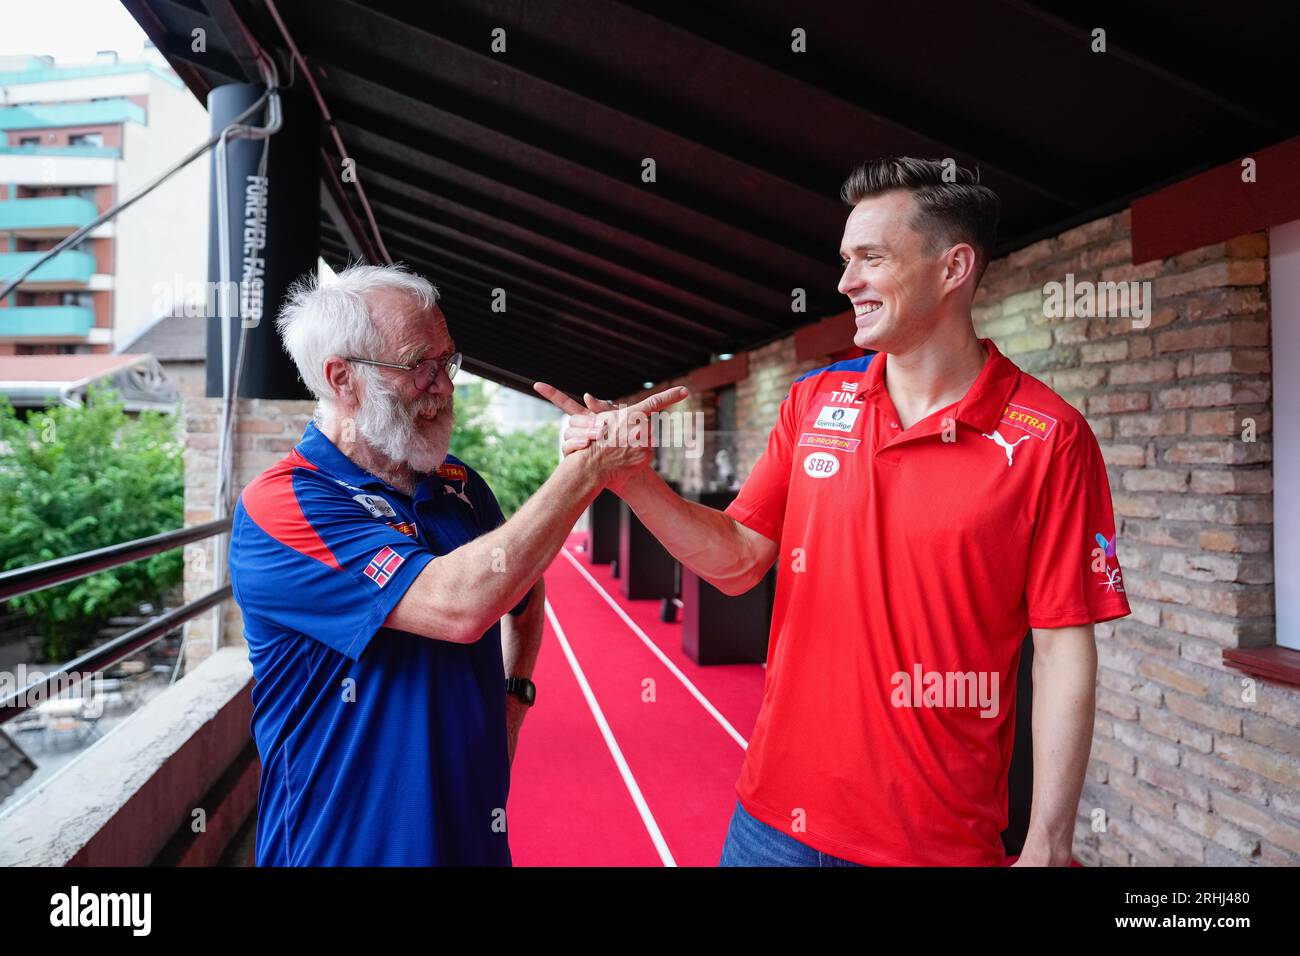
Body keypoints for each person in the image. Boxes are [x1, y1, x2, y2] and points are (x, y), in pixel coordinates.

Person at [537, 157, 1131, 867]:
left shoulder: (1048, 435)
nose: (846, 282)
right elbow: (734, 562)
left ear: (954, 268)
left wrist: (1047, 843)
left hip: (935, 844)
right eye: (845, 260)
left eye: (870, 259)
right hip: (770, 826)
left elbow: (1064, 647)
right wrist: (633, 481)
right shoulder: (813, 403)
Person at [228, 262, 685, 865]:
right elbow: (458, 606)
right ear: (342, 379)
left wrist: (514, 698)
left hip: (472, 835)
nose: (443, 384)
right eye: (419, 364)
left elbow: (520, 592)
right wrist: (587, 471)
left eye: (448, 361)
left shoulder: (459, 486)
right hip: (340, 848)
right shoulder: (283, 502)